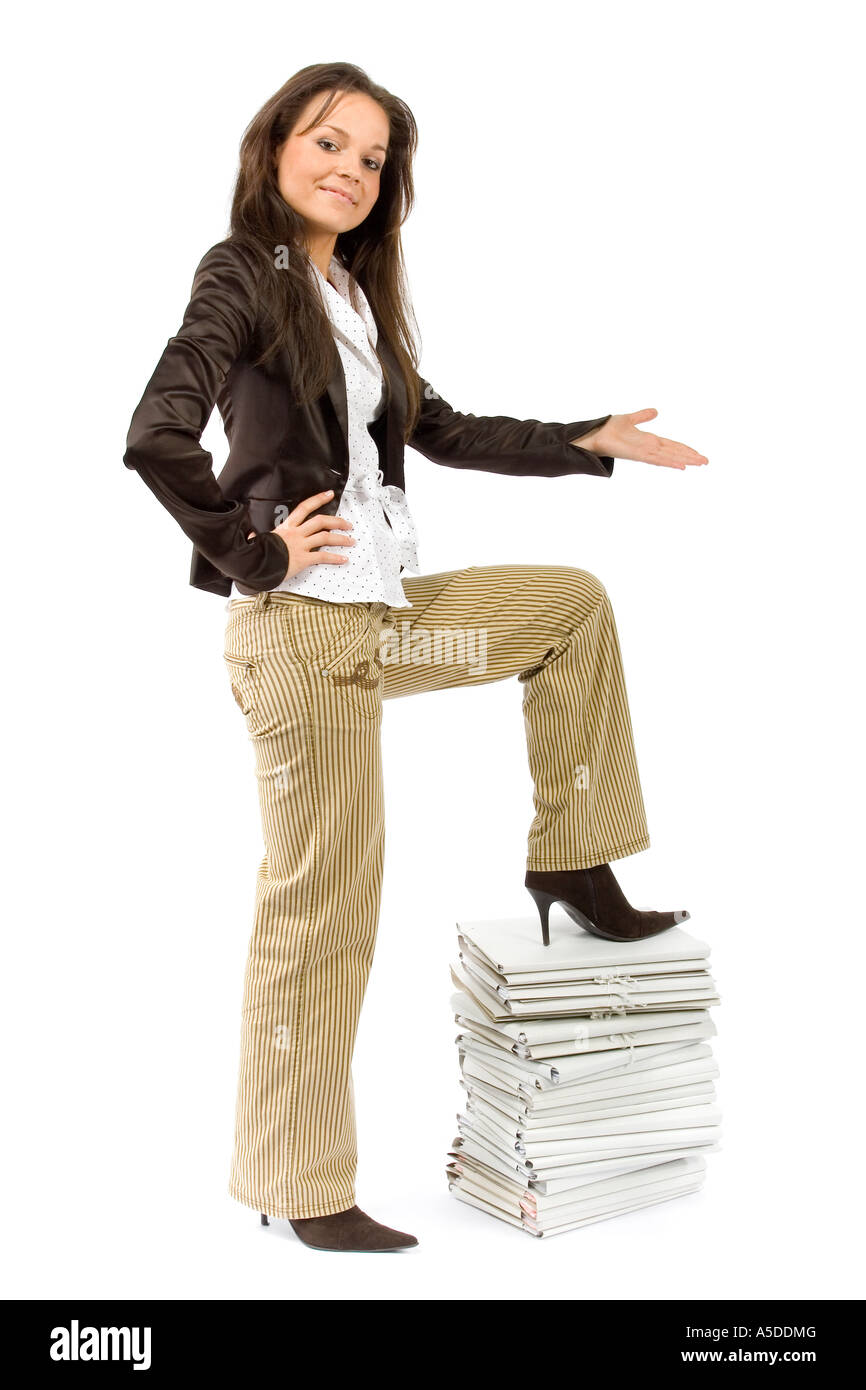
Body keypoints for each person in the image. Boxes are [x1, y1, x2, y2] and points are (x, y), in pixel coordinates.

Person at [123, 62, 708, 1254]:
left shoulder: (352, 292)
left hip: (383, 625)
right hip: (303, 639)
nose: (348, 168)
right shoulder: (246, 272)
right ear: (274, 146)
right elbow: (156, 431)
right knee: (322, 909)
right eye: (326, 142)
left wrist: (582, 439)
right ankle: (297, 1178)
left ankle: (574, 862)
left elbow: (435, 427)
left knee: (565, 610)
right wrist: (254, 550)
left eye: (372, 157)